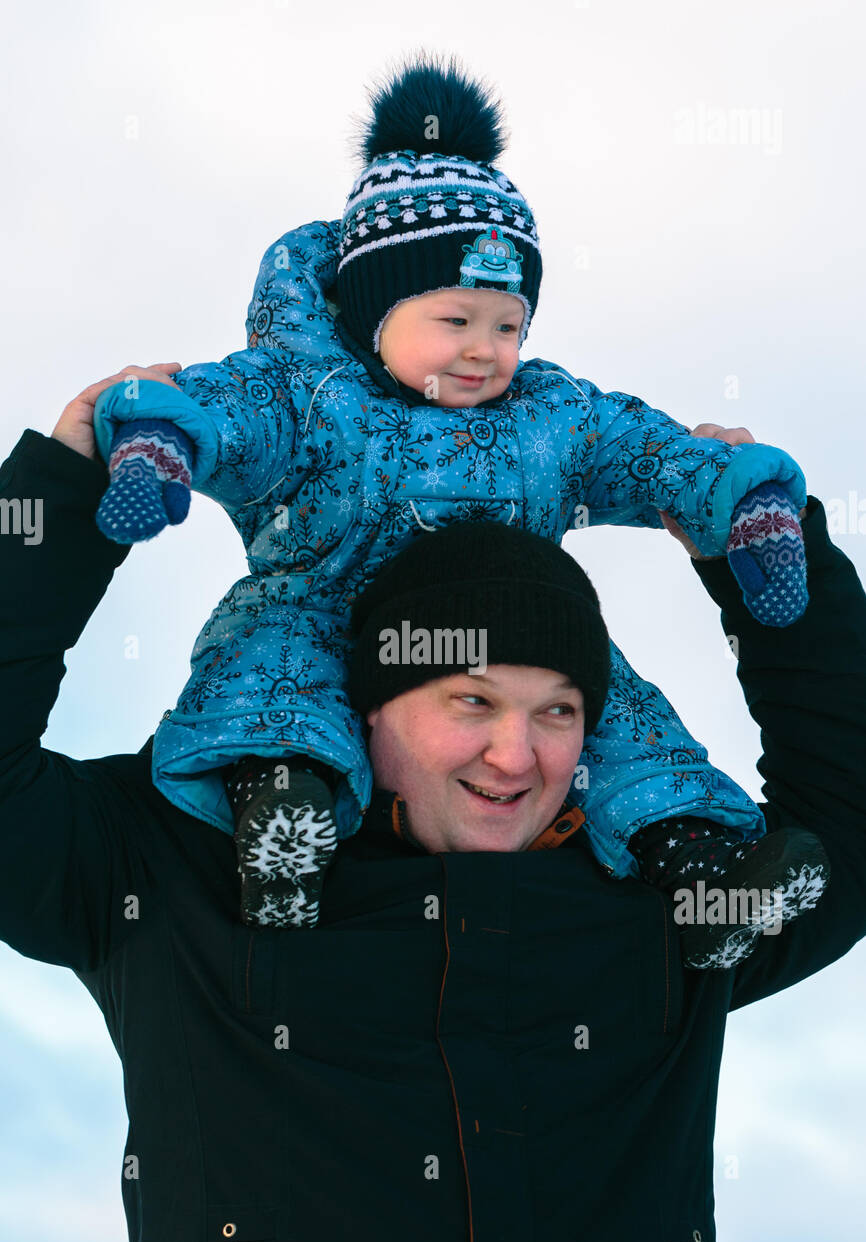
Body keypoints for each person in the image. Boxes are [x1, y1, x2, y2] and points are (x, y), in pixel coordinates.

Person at [0, 372, 863, 1242]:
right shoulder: (181, 862)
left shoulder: (674, 903)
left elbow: (847, 822)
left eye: (560, 711)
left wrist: (766, 550)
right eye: (472, 702)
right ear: (370, 708)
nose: (516, 753)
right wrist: (63, 492)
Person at [85, 51, 822, 940]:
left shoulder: (550, 412)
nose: (485, 349)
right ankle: (283, 817)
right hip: (324, 605)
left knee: (609, 710)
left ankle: (698, 869)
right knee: (271, 671)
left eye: (508, 325)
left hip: (513, 635)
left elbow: (646, 452)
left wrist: (740, 502)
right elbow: (222, 410)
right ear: (373, 313)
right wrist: (157, 443)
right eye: (454, 320)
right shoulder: (308, 393)